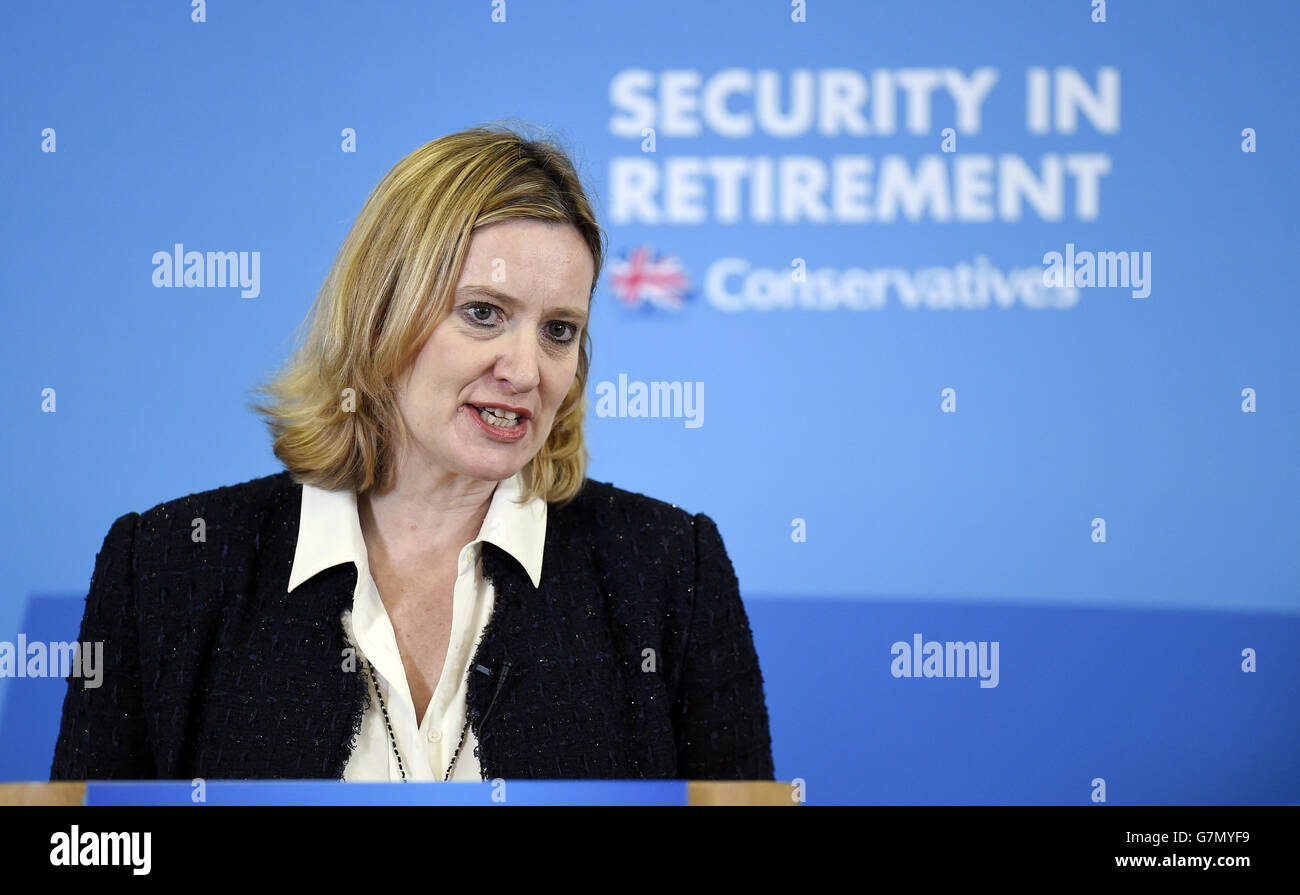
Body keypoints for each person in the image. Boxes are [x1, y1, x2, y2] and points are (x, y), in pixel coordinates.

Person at [50, 124, 775, 782]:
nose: (525, 370)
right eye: (483, 313)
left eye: (559, 330)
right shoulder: (168, 566)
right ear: (381, 313)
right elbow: (86, 853)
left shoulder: (670, 570)